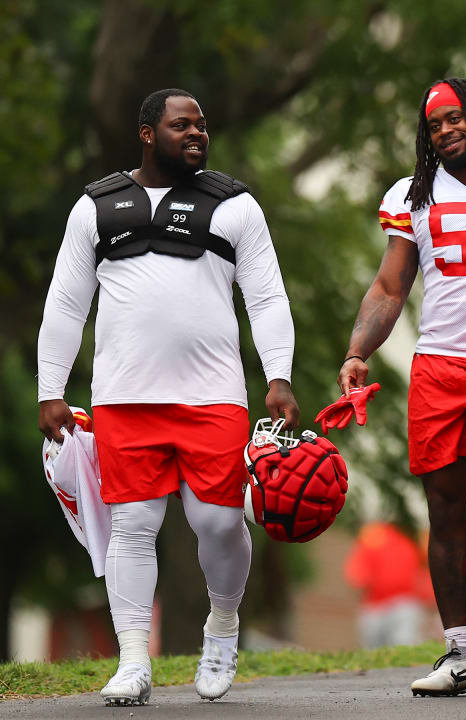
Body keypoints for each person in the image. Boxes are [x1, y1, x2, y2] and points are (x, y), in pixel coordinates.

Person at [36, 88, 298, 706]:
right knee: (132, 524)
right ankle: (133, 660)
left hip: (215, 398)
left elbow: (266, 298)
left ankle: (223, 623)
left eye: (202, 125)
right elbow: (66, 303)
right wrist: (52, 388)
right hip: (124, 398)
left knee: (219, 522)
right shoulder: (95, 207)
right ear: (148, 133)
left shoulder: (235, 205)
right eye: (183, 125)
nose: (197, 134)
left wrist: (279, 375)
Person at [337, 78, 466, 696]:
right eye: (435, 125)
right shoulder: (412, 195)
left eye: (456, 119)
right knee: (444, 507)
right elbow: (389, 288)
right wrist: (358, 352)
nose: (446, 131)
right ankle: (460, 652)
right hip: (437, 368)